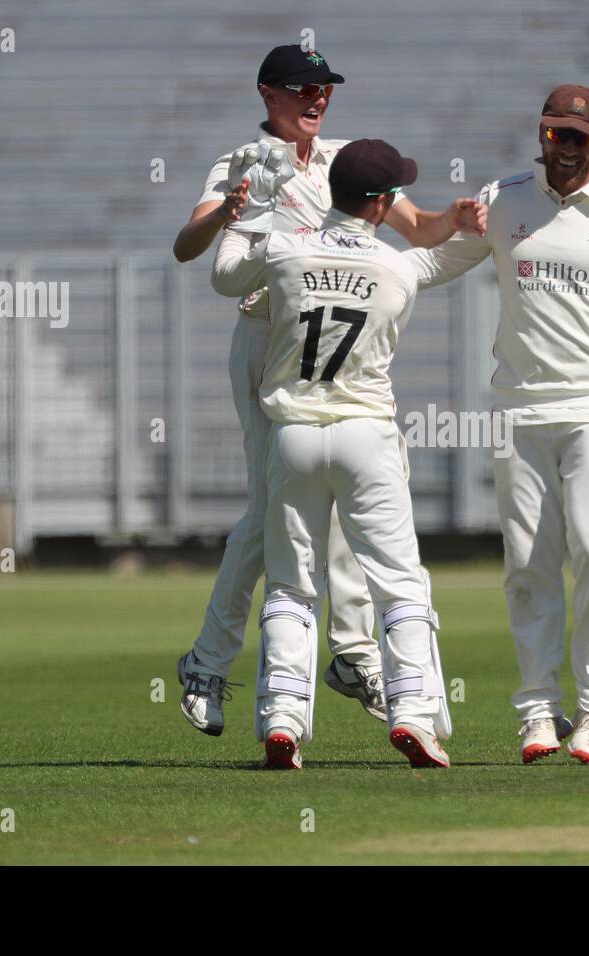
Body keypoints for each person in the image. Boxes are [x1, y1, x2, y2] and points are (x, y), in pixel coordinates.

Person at [171, 45, 485, 736]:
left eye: (325, 89)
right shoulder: (241, 163)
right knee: (271, 510)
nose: (317, 99)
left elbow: (416, 228)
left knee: (337, 490)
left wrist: (456, 221)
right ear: (266, 93)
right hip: (267, 341)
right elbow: (187, 248)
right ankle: (209, 660)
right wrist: (228, 208)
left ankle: (348, 654)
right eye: (301, 88)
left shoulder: (347, 161)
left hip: (329, 343)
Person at [406, 85, 589, 765]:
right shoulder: (505, 198)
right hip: (518, 407)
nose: (562, 149)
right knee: (528, 564)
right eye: (553, 134)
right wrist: (343, 274)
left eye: (577, 138)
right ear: (540, 133)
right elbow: (435, 263)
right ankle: (539, 709)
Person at [211, 140, 461, 769]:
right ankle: (410, 712)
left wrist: (247, 209)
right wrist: (473, 220)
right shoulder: (395, 267)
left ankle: (283, 720)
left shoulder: (286, 250)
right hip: (365, 434)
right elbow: (443, 259)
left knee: (293, 587)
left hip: (293, 433)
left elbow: (224, 275)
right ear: (379, 205)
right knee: (399, 582)